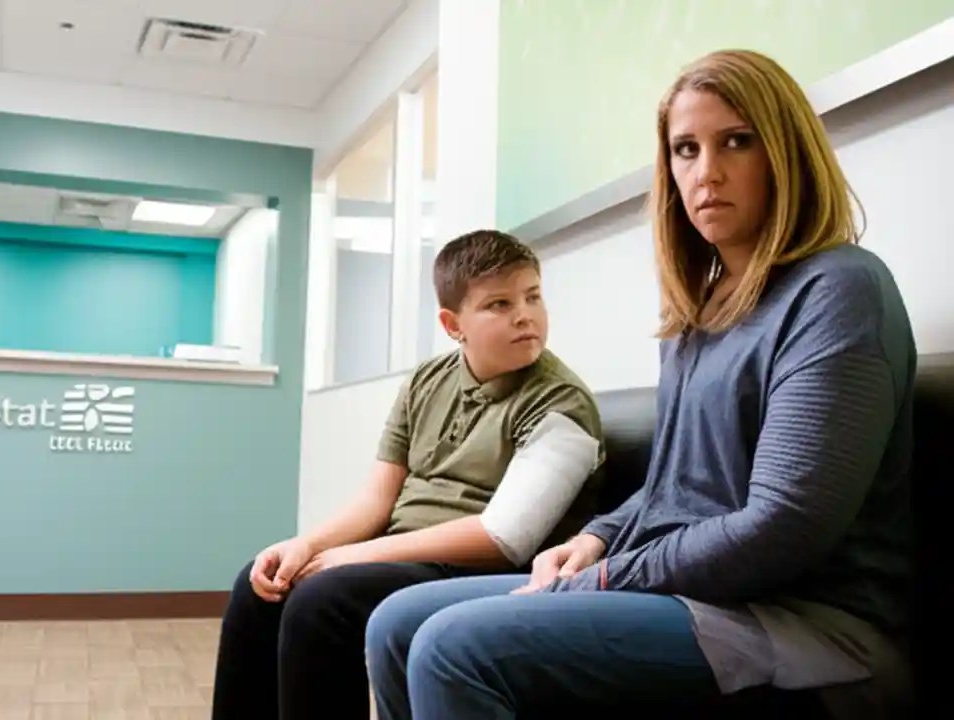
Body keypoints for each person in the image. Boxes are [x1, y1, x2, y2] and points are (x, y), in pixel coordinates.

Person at [364, 49, 916, 720]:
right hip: (697, 594)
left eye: (736, 141)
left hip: (808, 622)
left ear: (787, 151)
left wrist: (608, 575)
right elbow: (675, 491)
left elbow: (784, 525)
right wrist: (596, 538)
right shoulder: (698, 310)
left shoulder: (839, 289)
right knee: (396, 623)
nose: (706, 172)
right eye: (686, 149)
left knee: (453, 648)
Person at [210, 230, 607, 720]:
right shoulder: (425, 381)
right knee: (259, 584)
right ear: (452, 324)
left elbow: (504, 538)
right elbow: (377, 501)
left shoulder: (561, 402)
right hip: (406, 554)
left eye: (533, 297)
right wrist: (306, 546)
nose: (525, 315)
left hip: (482, 567)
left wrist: (350, 557)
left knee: (322, 600)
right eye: (499, 304)